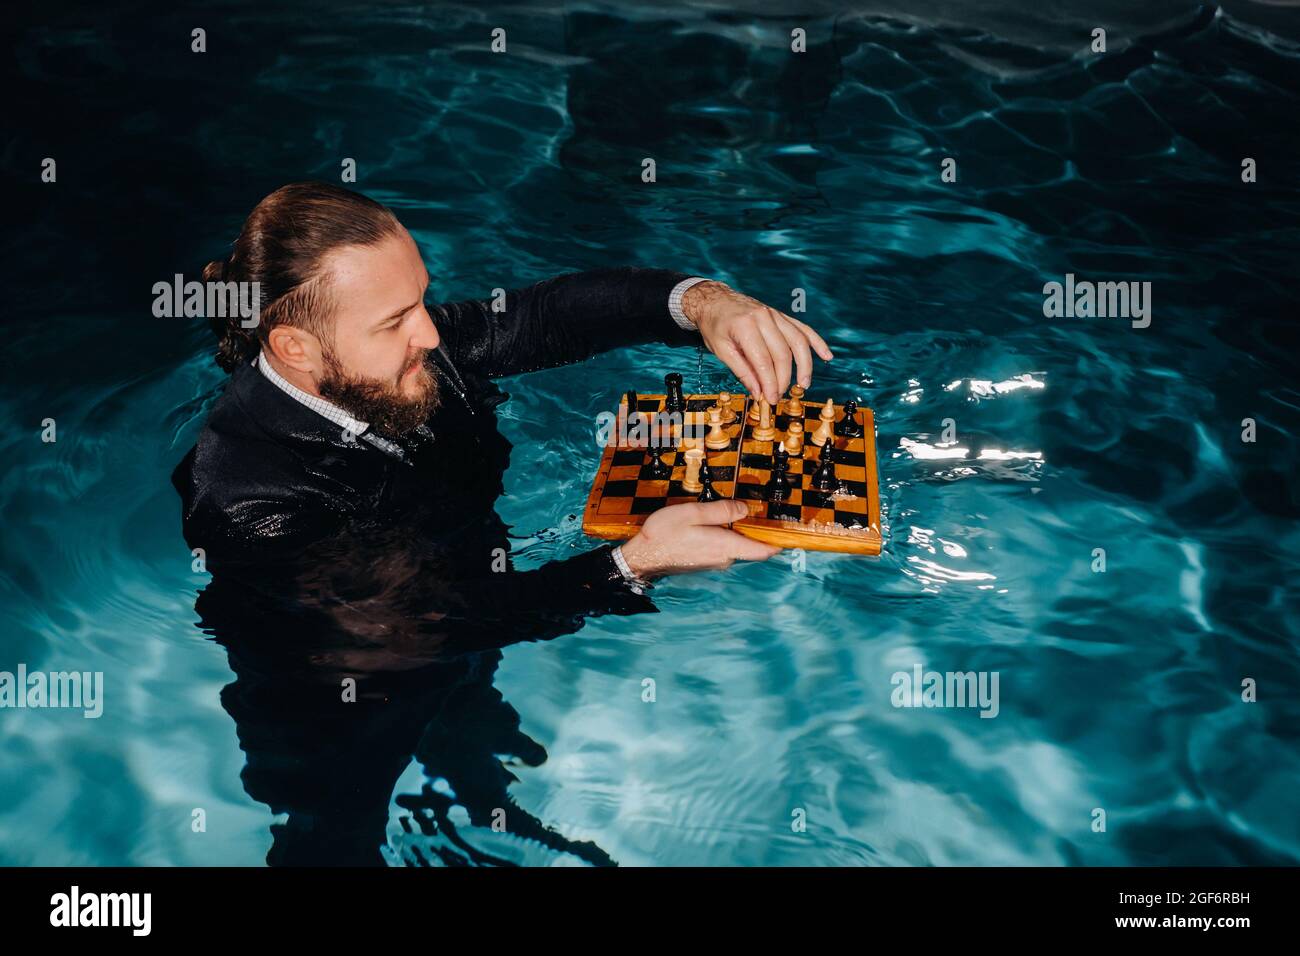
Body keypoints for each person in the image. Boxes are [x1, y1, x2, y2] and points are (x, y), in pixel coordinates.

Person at [172, 182, 834, 627]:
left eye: (422, 301)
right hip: (337, 709)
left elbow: (549, 315)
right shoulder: (246, 501)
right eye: (393, 320)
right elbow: (411, 630)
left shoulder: (409, 347)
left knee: (479, 739)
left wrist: (704, 305)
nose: (430, 335)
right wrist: (633, 564)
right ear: (296, 348)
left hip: (483, 588)